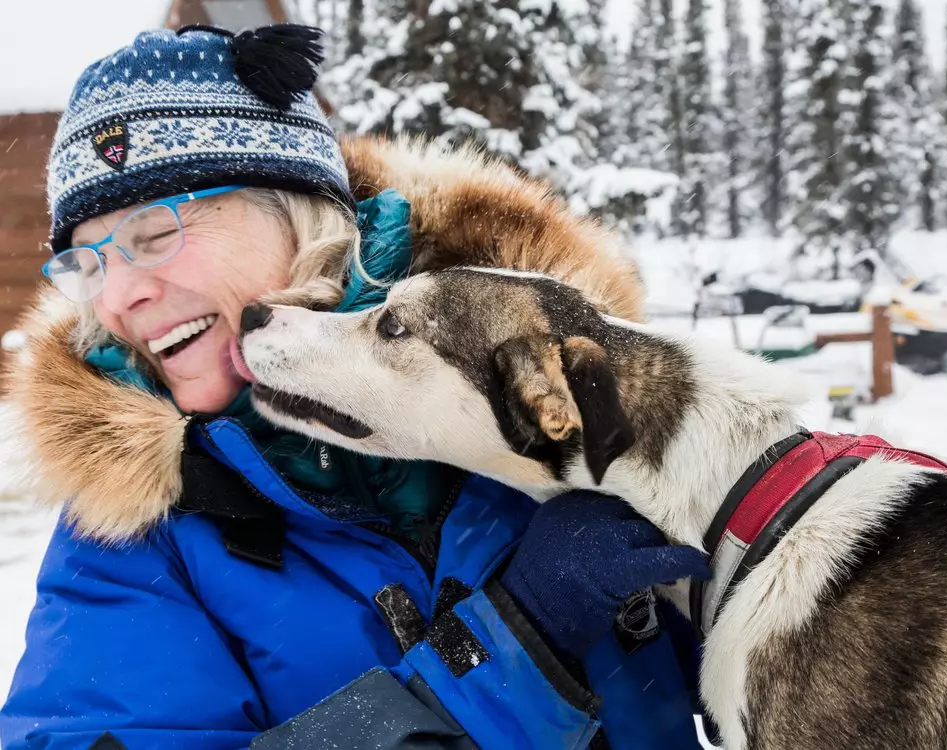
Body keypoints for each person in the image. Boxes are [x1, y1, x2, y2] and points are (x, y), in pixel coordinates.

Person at [0, 24, 712, 750]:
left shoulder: (549, 385)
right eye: (88, 265)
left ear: (296, 209)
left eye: (154, 234)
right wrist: (510, 654)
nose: (119, 299)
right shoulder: (132, 541)